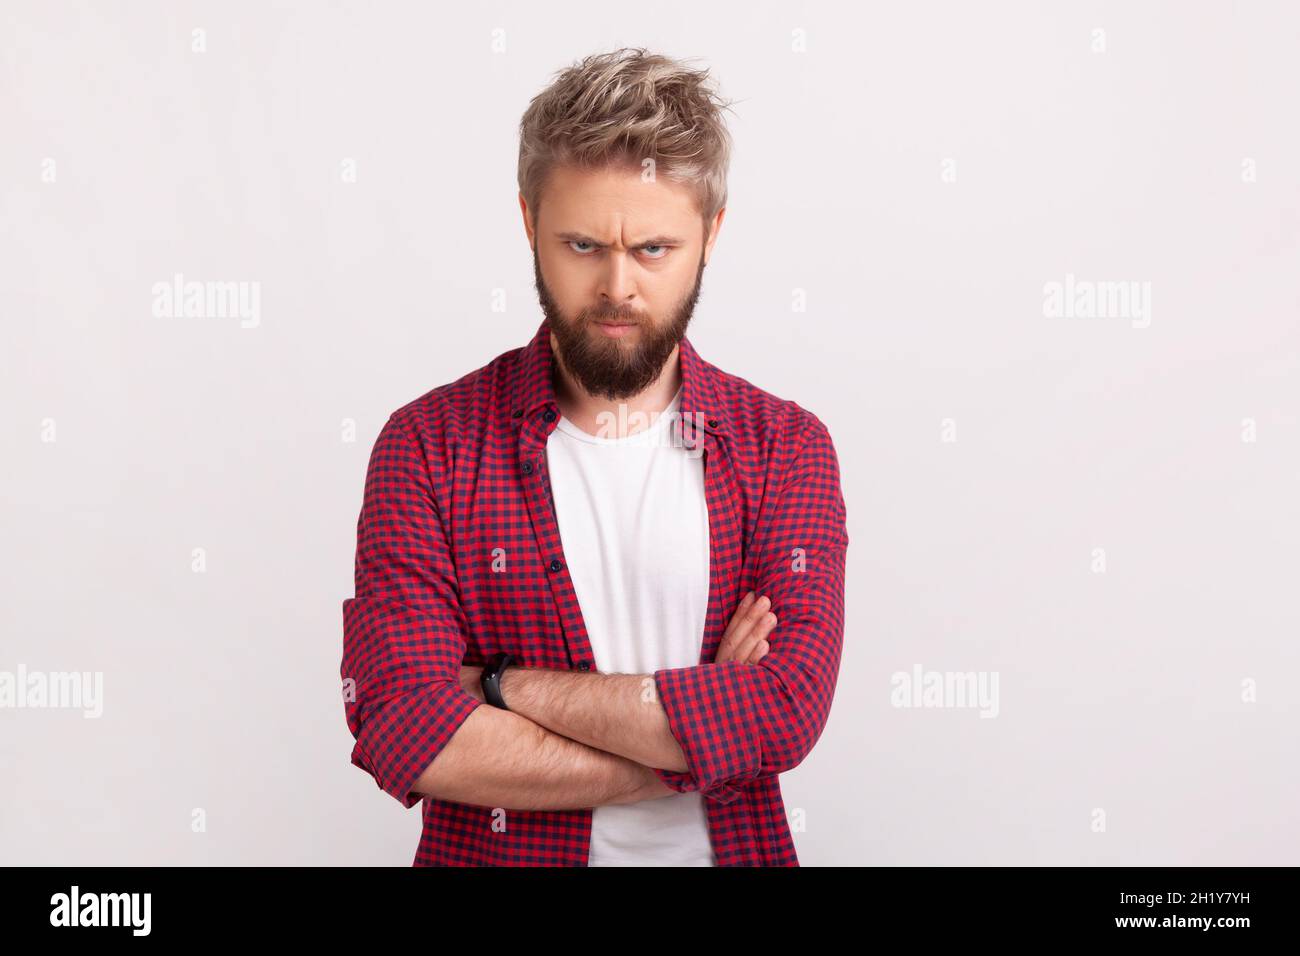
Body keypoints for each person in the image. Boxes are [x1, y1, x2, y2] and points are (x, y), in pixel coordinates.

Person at [341, 47, 849, 866]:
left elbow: (783, 711)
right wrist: (698, 742)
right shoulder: (429, 447)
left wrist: (503, 687)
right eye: (583, 246)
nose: (618, 287)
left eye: (654, 249)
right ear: (529, 224)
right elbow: (406, 730)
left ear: (710, 235)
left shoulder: (785, 448)